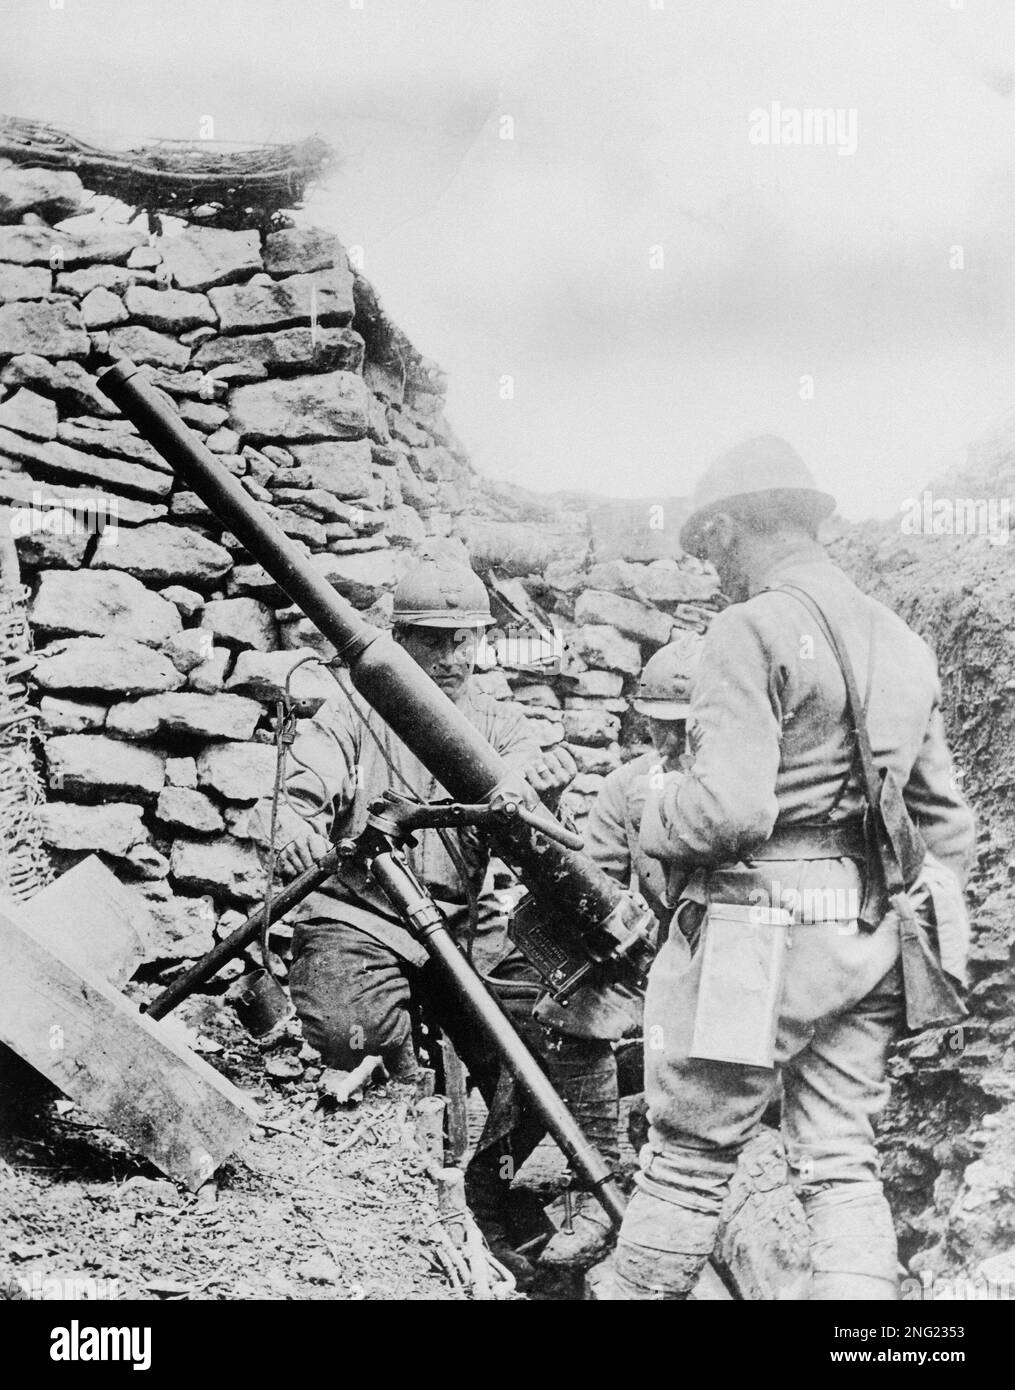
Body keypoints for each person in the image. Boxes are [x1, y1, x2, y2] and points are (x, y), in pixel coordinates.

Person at [612, 435, 975, 1300]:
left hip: (752, 939)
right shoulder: (902, 642)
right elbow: (944, 829)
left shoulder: (749, 628)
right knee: (839, 1157)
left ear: (734, 527)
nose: (713, 573)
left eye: (711, 551)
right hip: (867, 934)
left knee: (690, 1157)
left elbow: (733, 812)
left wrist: (646, 813)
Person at [251, 554, 615, 1279]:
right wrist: (292, 819)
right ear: (399, 638)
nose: (450, 657)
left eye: (463, 640)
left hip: (466, 932)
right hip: (365, 913)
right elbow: (309, 775)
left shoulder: (499, 718)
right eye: (430, 640)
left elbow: (532, 811)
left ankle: (510, 1200)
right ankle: (403, 1193)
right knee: (347, 1035)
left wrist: (540, 788)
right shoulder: (352, 703)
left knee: (552, 1034)